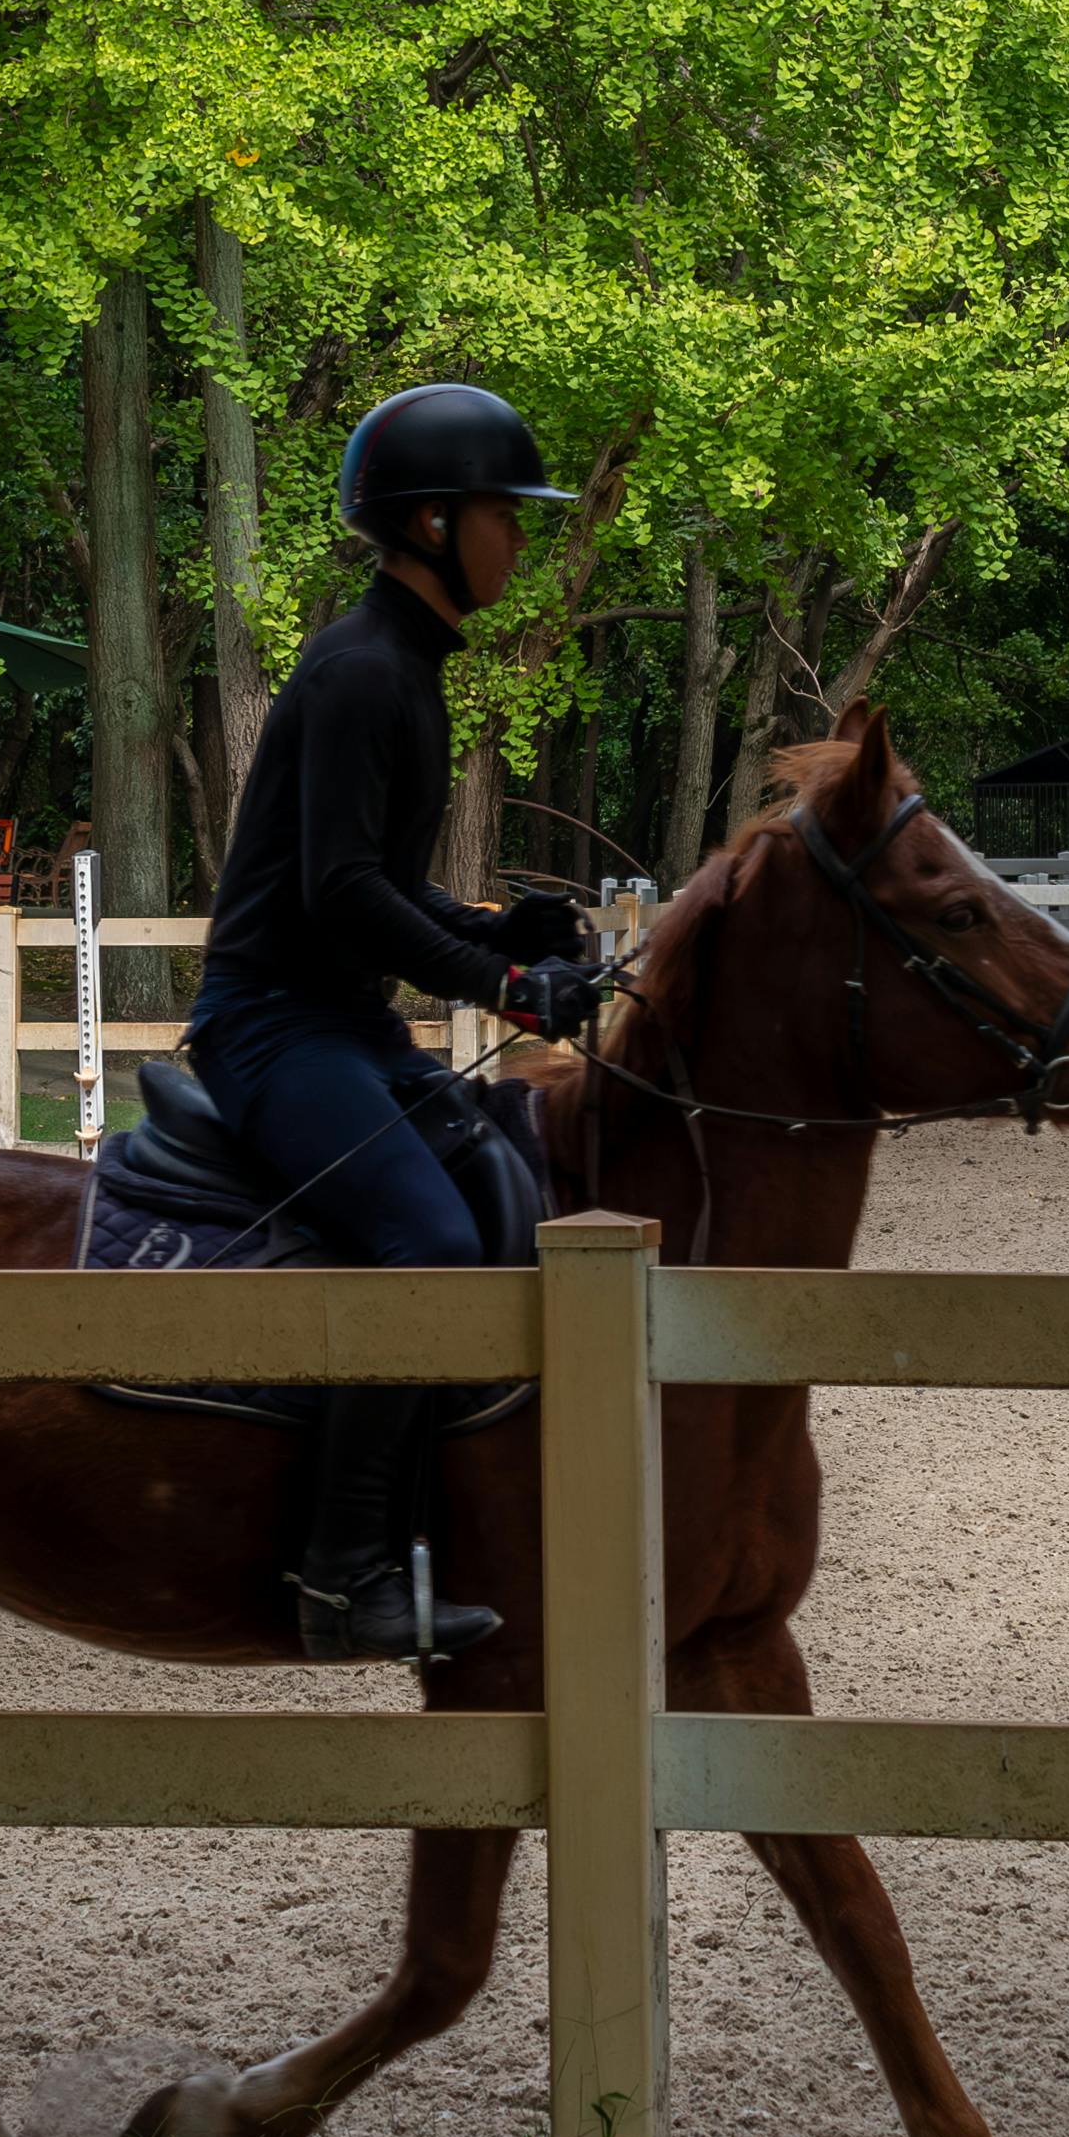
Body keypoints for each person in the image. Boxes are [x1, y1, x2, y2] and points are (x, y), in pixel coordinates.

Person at [190, 381, 607, 1661]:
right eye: (504, 518)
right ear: (432, 524)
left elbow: (371, 877)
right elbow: (338, 893)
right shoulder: (369, 670)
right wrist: (502, 988)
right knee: (426, 1236)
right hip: (273, 1027)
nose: (517, 543)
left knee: (500, 1177)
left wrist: (496, 931)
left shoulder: (398, 662)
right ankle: (339, 1574)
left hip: (339, 1022)